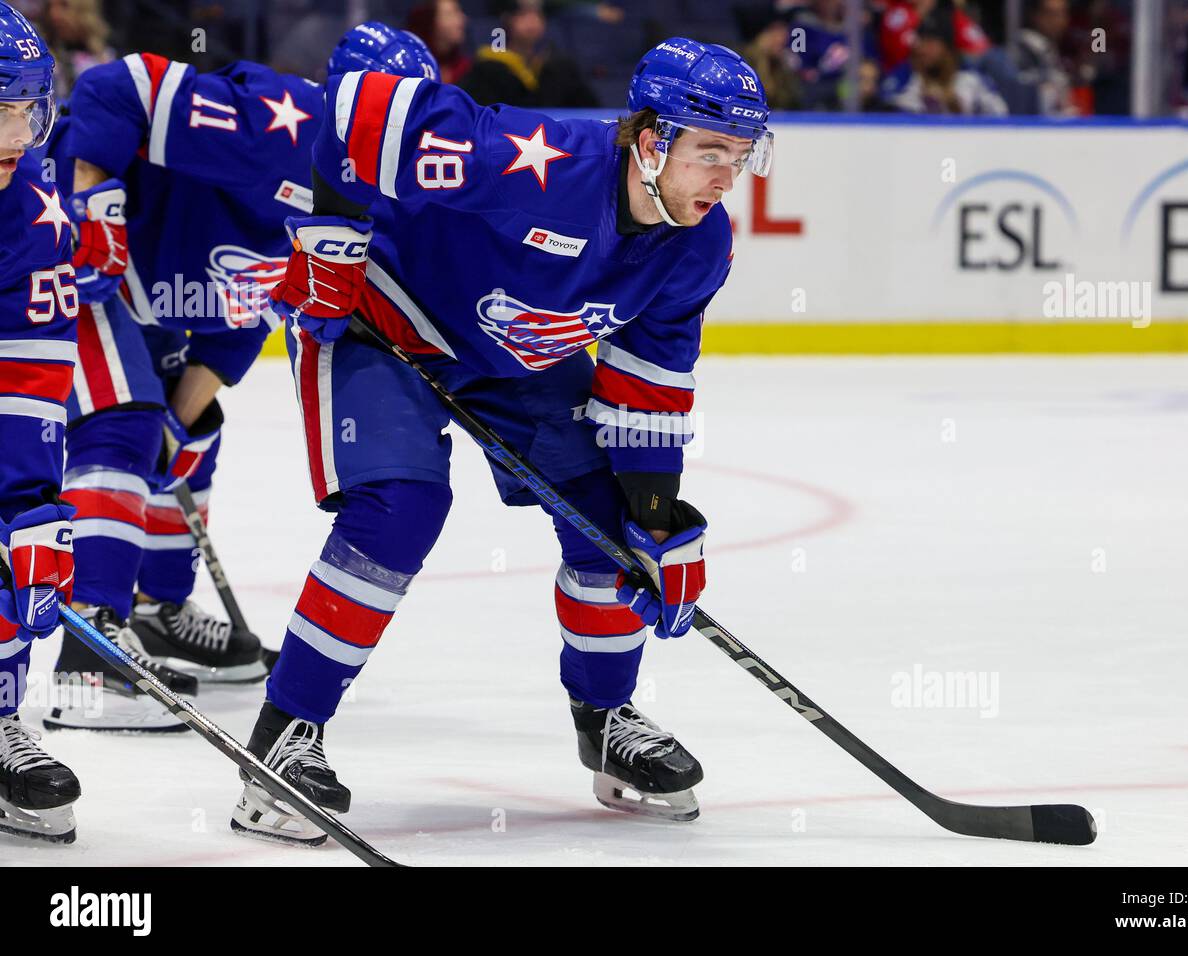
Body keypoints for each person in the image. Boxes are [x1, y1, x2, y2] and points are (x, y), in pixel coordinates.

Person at [232, 37, 774, 845]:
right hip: (381, 320)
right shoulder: (541, 165)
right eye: (710, 153)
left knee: (608, 526)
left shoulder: (698, 245)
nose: (728, 178)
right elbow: (355, 113)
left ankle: (607, 722)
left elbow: (648, 388)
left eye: (741, 156)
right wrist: (331, 238)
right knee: (399, 511)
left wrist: (656, 522)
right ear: (653, 139)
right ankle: (282, 742)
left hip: (507, 356)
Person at [35, 22, 440, 734]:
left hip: (159, 290)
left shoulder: (379, 196)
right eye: (389, 108)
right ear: (343, 99)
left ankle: (156, 609)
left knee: (185, 433)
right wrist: (91, 197)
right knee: (122, 421)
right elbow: (112, 86)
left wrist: (184, 410)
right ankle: (89, 662)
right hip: (75, 253)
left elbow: (255, 299)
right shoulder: (278, 124)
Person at [0, 0, 81, 843]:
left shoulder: (29, 202)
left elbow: (28, 369)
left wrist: (27, 506)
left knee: (11, 536)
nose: (16, 135)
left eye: (25, 108)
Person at [457, 0, 597, 108]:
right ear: (507, 19)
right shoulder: (489, 67)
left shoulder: (560, 66)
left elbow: (589, 108)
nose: (532, 21)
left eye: (537, 14)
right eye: (523, 14)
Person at [882, 11, 1007, 115]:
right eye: (920, 42)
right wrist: (921, 106)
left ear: (948, 49)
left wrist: (958, 112)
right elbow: (885, 112)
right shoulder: (906, 75)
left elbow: (1001, 114)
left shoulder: (971, 78)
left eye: (930, 43)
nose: (922, 50)